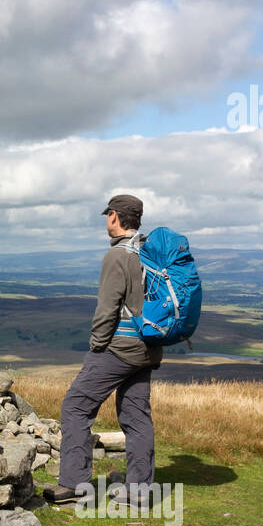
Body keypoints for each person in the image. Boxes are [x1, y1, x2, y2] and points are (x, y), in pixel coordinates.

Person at [45, 194, 161, 506]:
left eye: (108, 214)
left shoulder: (117, 256)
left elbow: (107, 308)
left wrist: (97, 346)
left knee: (75, 407)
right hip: (148, 347)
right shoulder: (148, 252)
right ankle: (140, 491)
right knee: (136, 416)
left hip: (119, 348)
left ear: (115, 216)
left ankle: (73, 484)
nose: (106, 220)